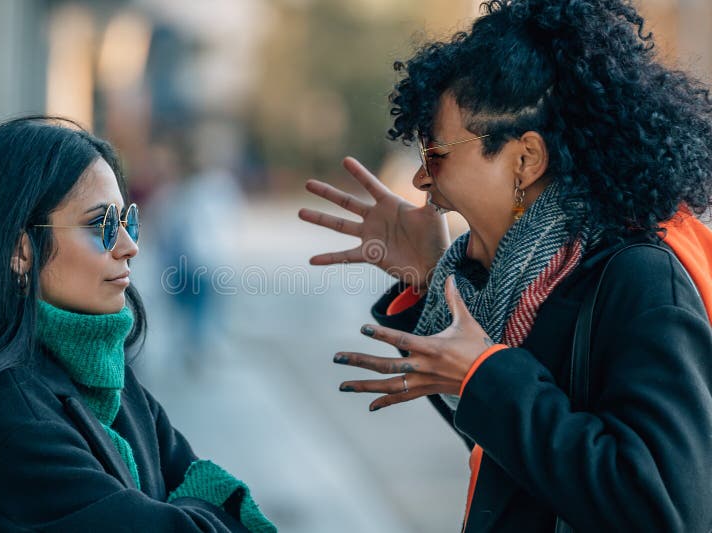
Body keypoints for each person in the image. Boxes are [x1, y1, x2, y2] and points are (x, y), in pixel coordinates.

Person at [300, 0, 712, 531]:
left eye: (437, 153)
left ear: (525, 159)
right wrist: (431, 282)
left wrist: (486, 374)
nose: (422, 181)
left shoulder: (640, 277)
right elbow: (523, 466)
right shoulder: (537, 278)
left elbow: (667, 509)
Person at [0, 117, 275, 532]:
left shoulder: (106, 379)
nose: (129, 246)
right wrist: (181, 507)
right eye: (101, 225)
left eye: (127, 220)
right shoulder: (8, 424)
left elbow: (210, 498)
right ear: (20, 252)